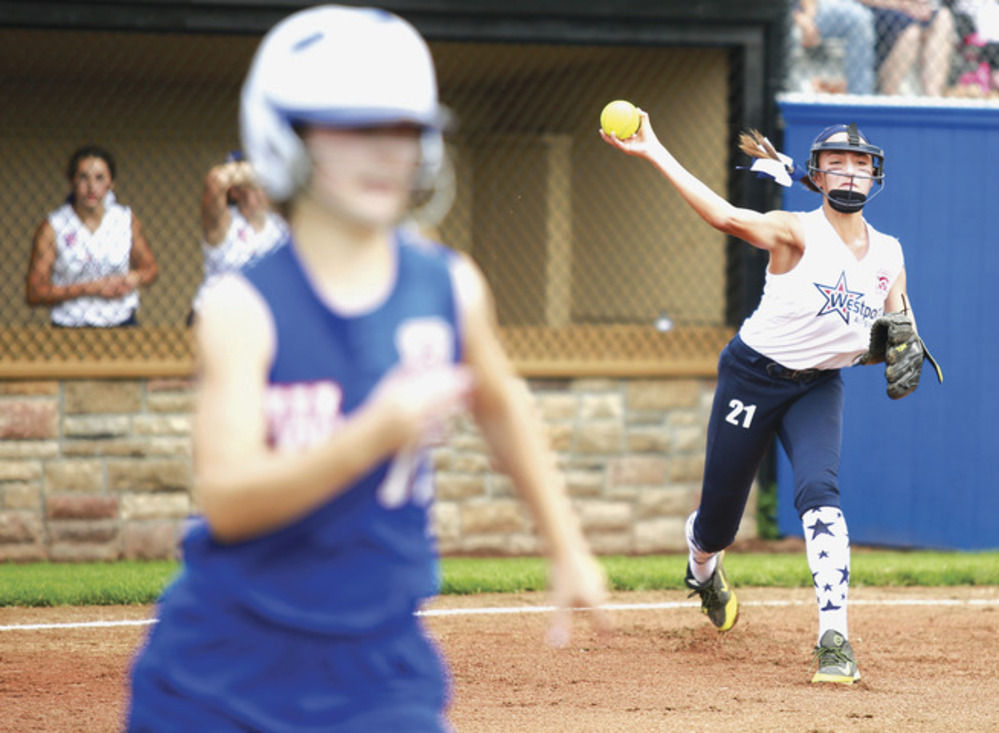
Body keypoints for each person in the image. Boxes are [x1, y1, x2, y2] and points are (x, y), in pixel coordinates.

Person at [126, 6, 607, 731]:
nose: (387, 151)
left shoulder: (449, 285)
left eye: (405, 129)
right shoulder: (242, 307)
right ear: (285, 137)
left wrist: (565, 543)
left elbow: (501, 401)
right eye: (355, 128)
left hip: (379, 669)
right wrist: (372, 434)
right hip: (223, 675)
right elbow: (226, 498)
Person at [602, 115, 931, 684]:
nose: (849, 174)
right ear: (817, 176)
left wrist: (908, 341)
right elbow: (726, 217)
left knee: (821, 497)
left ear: (875, 175)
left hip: (817, 386)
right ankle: (702, 567)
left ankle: (834, 641)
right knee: (719, 525)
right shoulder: (794, 231)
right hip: (751, 378)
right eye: (836, 164)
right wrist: (654, 149)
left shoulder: (889, 253)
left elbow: (900, 321)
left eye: (860, 164)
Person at [25, 145, 158, 327]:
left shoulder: (124, 219)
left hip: (121, 322)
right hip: (71, 325)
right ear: (72, 181)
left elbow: (150, 269)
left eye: (99, 178)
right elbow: (35, 292)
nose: (91, 187)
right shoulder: (54, 226)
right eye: (83, 177)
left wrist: (132, 278)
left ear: (111, 183)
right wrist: (91, 288)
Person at [189, 151, 289, 324]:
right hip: (217, 317)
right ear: (234, 192)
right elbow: (215, 180)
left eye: (263, 182)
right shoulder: (225, 223)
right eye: (251, 183)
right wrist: (261, 169)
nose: (260, 189)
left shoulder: (281, 226)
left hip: (263, 319)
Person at [791, 0, 877, 95]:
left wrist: (809, 17)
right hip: (784, 16)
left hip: (807, 10)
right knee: (789, 32)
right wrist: (799, 19)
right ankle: (788, 92)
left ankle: (859, 97)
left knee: (859, 19)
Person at [872, 0, 957, 96]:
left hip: (912, 8)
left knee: (943, 18)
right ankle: (889, 95)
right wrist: (903, 5)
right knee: (912, 33)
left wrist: (922, 5)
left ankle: (933, 96)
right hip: (885, 10)